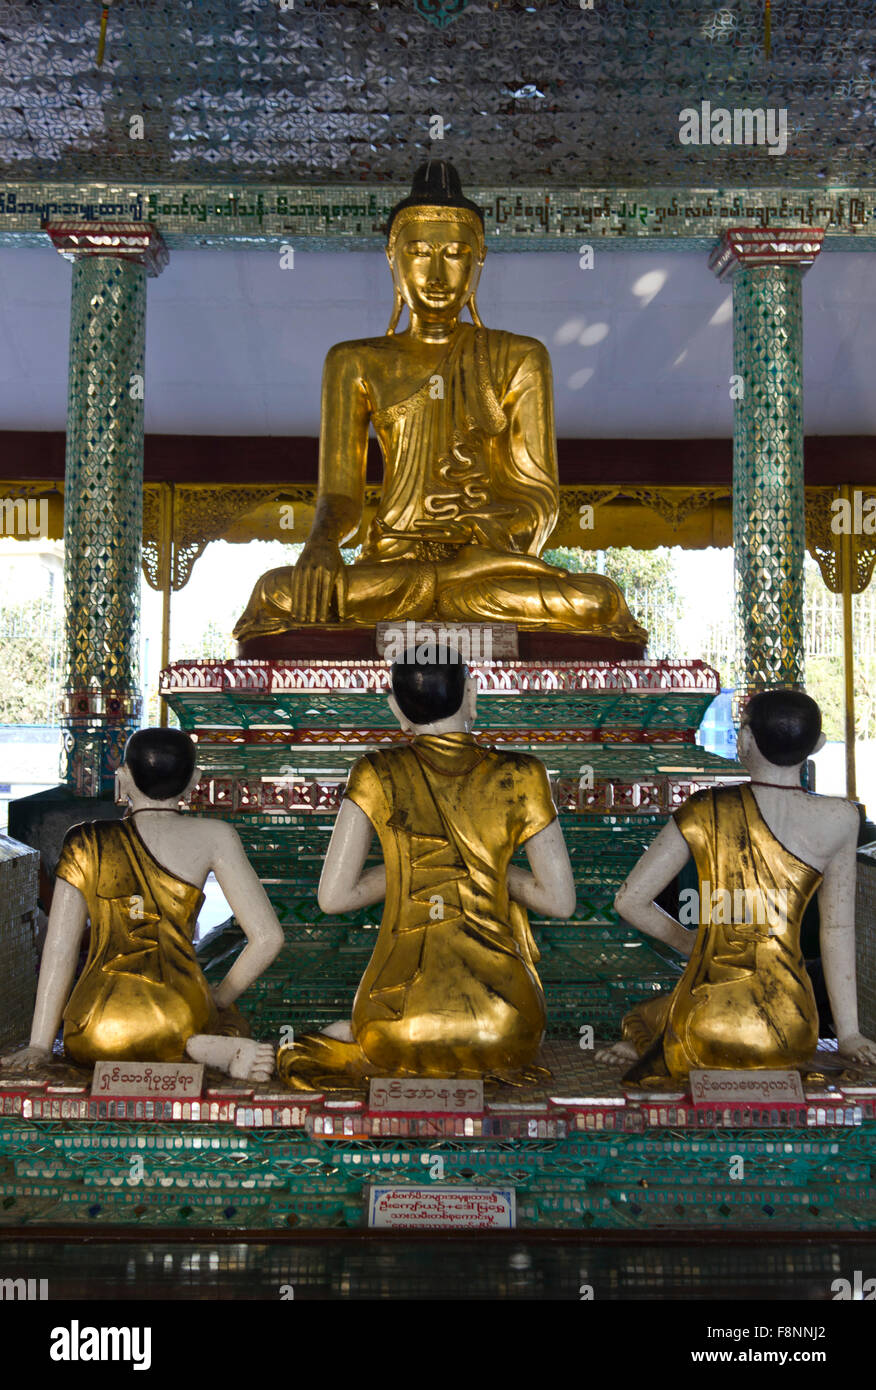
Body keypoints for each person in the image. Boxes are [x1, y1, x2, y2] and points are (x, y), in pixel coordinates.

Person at [233, 160, 645, 645]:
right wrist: (321, 546)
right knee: (275, 592)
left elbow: (538, 497)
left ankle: (446, 587)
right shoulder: (354, 361)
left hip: (484, 567)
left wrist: (481, 533)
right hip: (393, 565)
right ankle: (442, 589)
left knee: (599, 600)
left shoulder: (520, 356)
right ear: (392, 258)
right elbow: (339, 497)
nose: (435, 272)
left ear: (479, 262)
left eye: (454, 253)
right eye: (419, 252)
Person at [277, 647, 576, 1088]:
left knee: (319, 1046)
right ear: (472, 695)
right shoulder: (524, 774)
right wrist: (489, 872)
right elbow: (559, 901)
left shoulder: (375, 772)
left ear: (397, 710)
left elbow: (333, 897)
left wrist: (407, 872)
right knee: (508, 1030)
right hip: (506, 1024)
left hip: (397, 1027)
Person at [598, 689, 876, 1082]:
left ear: (744, 740)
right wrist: (848, 1034)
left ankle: (651, 1042)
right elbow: (837, 929)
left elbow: (629, 901)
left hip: (707, 1022)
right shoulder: (841, 818)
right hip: (789, 1028)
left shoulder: (705, 807)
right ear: (817, 745)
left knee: (643, 1016)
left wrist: (690, 944)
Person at [1, 728, 284, 1082]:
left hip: (96, 1025)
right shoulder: (215, 836)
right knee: (229, 1022)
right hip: (179, 1012)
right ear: (195, 780)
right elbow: (268, 938)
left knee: (88, 1039)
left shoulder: (85, 840)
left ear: (123, 777)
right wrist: (219, 998)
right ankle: (203, 1046)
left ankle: (195, 1043)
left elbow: (60, 950)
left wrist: (40, 1046)